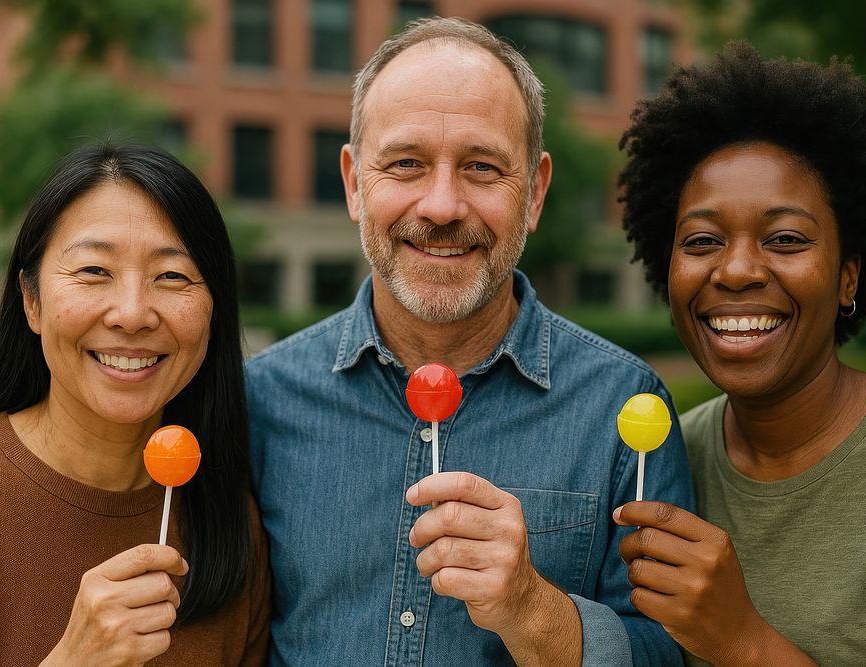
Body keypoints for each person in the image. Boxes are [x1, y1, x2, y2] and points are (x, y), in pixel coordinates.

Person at [246, 16, 694, 666]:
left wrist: (533, 607)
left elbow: (669, 653)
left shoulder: (624, 410)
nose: (442, 205)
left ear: (534, 193)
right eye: (406, 164)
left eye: (482, 168)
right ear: (352, 184)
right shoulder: (262, 399)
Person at [614, 42, 866, 664]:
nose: (738, 270)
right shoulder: (664, 457)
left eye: (784, 239)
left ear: (849, 277)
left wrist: (739, 639)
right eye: (701, 240)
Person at [0, 144, 270, 664]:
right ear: (31, 301)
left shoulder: (231, 522)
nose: (132, 314)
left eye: (172, 276)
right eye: (93, 270)